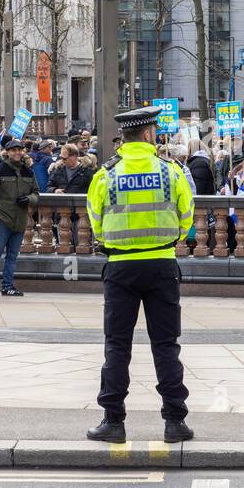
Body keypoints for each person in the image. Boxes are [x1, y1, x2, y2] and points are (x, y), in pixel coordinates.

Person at [85, 105, 194, 444]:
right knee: (165, 345)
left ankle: (113, 422)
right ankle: (175, 421)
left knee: (117, 346)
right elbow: (187, 216)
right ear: (148, 134)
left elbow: (96, 221)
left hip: (119, 267)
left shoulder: (106, 175)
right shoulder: (170, 171)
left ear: (125, 136)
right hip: (162, 265)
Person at [0, 139, 38, 296]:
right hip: (3, 219)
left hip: (20, 219)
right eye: (14, 150)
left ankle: (7, 286)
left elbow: (36, 193)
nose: (17, 153)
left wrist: (29, 199)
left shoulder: (29, 172)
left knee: (12, 256)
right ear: (8, 152)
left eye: (20, 150)